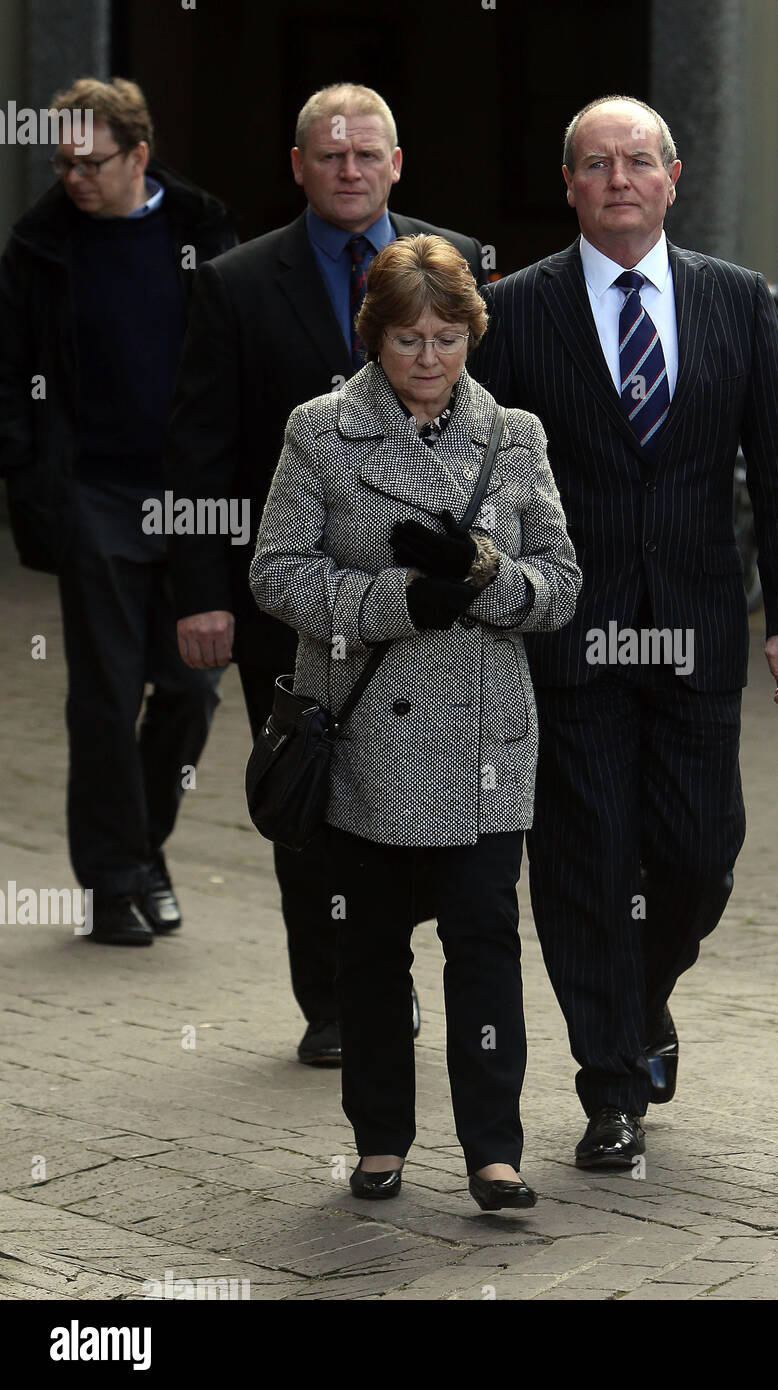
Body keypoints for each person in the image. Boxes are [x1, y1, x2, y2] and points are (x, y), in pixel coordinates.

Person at [468, 95, 778, 1171]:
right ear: (570, 185)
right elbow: (487, 478)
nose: (617, 178)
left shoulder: (737, 299)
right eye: (594, 164)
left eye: (636, 161)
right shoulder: (516, 309)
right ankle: (610, 1082)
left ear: (674, 177)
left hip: (699, 629)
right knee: (584, 862)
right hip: (570, 633)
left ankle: (644, 995)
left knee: (697, 854)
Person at [249, 234, 580, 1208]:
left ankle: (493, 1151)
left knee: (485, 943)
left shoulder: (514, 436)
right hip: (368, 738)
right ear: (374, 338)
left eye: (446, 337)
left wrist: (485, 579)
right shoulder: (319, 430)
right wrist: (400, 599)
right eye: (406, 339)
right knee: (372, 949)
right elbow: (275, 572)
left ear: (472, 334)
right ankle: (382, 1137)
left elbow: (560, 586)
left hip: (486, 743)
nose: (428, 359)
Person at [164, 83, 486, 1064]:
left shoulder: (459, 263)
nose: (349, 169)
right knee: (314, 798)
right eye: (329, 154)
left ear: (395, 164)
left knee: (428, 799)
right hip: (294, 602)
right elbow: (200, 451)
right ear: (298, 167)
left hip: (435, 603)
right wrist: (198, 591)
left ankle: (386, 962)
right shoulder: (233, 283)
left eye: (366, 153)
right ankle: (339, 1003)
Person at [0, 77, 235, 945]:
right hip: (92, 491)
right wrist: (35, 479)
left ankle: (143, 849)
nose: (72, 178)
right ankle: (109, 884)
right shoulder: (40, 246)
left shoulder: (201, 231)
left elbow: (231, 361)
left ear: (139, 156)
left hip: (192, 495)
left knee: (191, 688)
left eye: (90, 163)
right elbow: (10, 373)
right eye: (60, 162)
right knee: (103, 695)